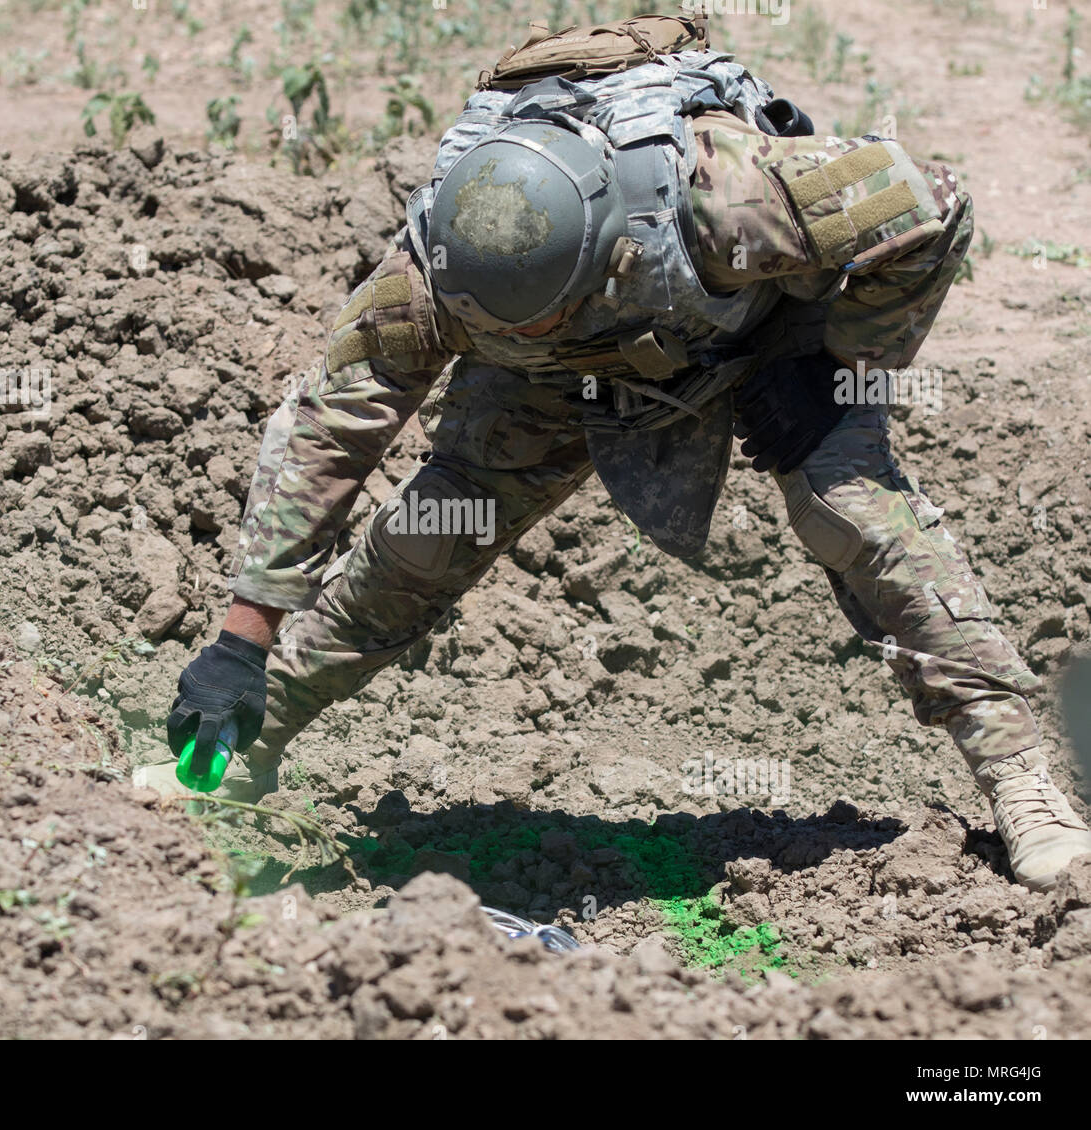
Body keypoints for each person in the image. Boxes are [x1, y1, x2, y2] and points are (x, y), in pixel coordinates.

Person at [167, 17, 1091, 892]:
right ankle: (248, 737)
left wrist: (846, 367)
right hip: (558, 373)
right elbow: (334, 423)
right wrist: (237, 642)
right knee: (433, 531)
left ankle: (1020, 779)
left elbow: (936, 203)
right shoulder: (438, 270)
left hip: (760, 337)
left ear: (607, 261)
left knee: (846, 509)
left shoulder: (730, 200)